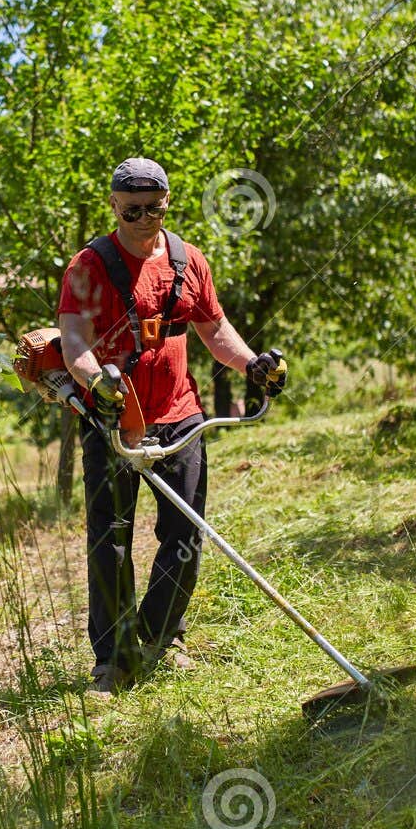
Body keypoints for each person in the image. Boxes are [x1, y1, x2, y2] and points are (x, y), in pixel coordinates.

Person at [57, 156, 287, 695]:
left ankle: (161, 636)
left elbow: (214, 327)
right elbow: (73, 342)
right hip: (114, 419)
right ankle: (113, 660)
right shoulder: (88, 267)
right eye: (131, 208)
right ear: (114, 205)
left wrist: (250, 363)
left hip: (180, 416)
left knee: (185, 533)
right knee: (110, 541)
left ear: (167, 204)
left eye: (153, 207)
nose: (143, 217)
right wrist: (98, 383)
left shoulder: (188, 260)